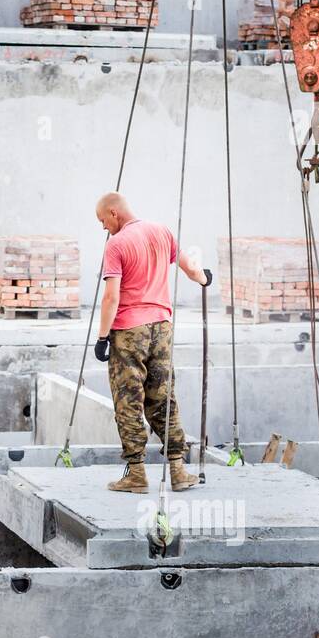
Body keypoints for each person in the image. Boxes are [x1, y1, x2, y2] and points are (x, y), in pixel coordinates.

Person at [92, 192, 210, 494]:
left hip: (129, 331)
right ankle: (178, 470)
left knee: (128, 400)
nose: (103, 227)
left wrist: (103, 337)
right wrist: (204, 279)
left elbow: (111, 297)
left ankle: (136, 474)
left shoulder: (116, 245)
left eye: (102, 220)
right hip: (162, 328)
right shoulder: (162, 232)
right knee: (163, 397)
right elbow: (190, 268)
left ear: (114, 212)